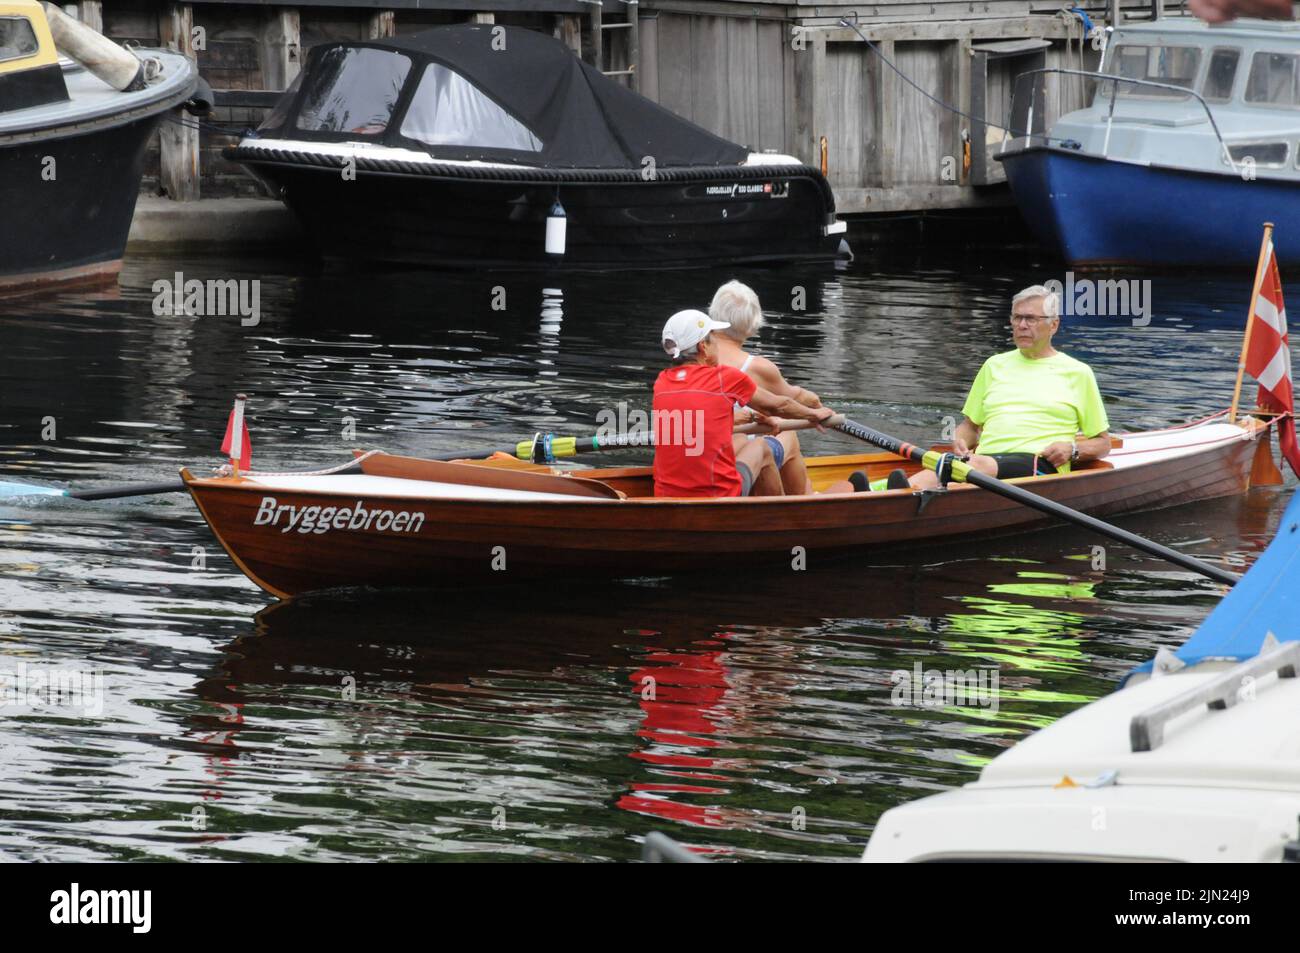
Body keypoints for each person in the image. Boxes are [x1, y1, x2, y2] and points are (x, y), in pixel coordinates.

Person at [896, 285, 1111, 490]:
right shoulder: (993, 365)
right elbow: (970, 426)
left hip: (1041, 463)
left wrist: (1072, 449)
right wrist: (960, 440)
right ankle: (884, 492)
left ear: (1053, 325)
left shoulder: (1078, 373)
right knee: (947, 465)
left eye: (1031, 319)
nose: (1022, 325)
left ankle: (898, 495)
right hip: (984, 461)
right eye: (1017, 317)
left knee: (969, 467)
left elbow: (1103, 443)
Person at [653, 310, 866, 498]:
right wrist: (814, 414)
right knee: (761, 447)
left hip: (666, 495)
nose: (717, 344)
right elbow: (777, 406)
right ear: (703, 347)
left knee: (739, 438)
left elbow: (701, 421)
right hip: (717, 495)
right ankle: (785, 512)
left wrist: (750, 417)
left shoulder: (662, 383)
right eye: (714, 338)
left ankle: (797, 497)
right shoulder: (723, 377)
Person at [708, 280, 823, 494]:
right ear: (753, 325)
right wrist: (817, 407)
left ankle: (807, 495)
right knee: (789, 434)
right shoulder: (758, 367)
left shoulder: (695, 357)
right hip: (731, 459)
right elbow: (792, 399)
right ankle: (805, 500)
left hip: (705, 455)